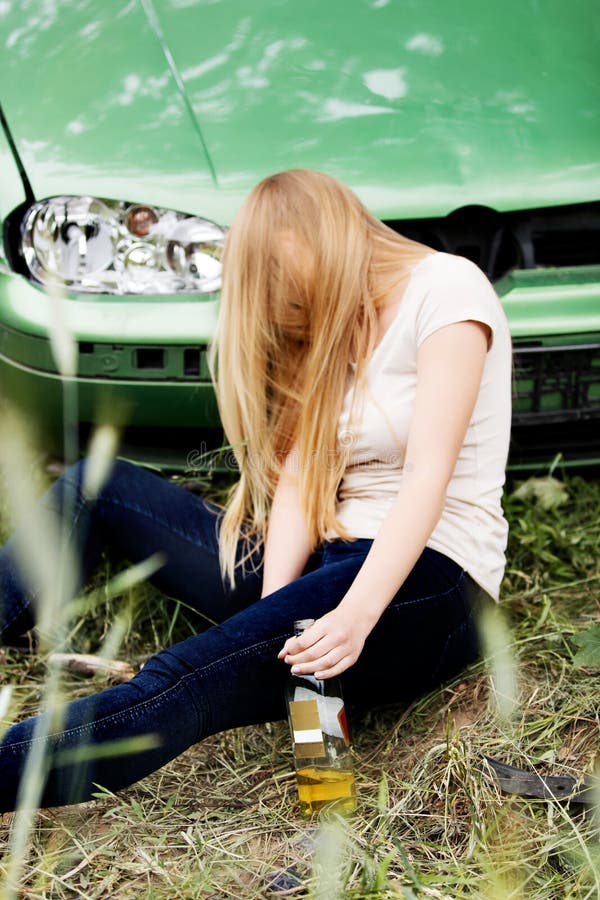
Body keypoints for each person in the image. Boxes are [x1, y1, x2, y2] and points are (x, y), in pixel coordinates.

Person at [0, 170, 511, 813]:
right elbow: (300, 478)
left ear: (318, 237)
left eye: (283, 274)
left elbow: (427, 479)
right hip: (328, 554)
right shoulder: (332, 320)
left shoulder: (447, 289)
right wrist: (273, 607)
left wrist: (351, 616)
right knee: (96, 485)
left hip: (429, 575)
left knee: (178, 682)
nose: (283, 301)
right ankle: (318, 754)